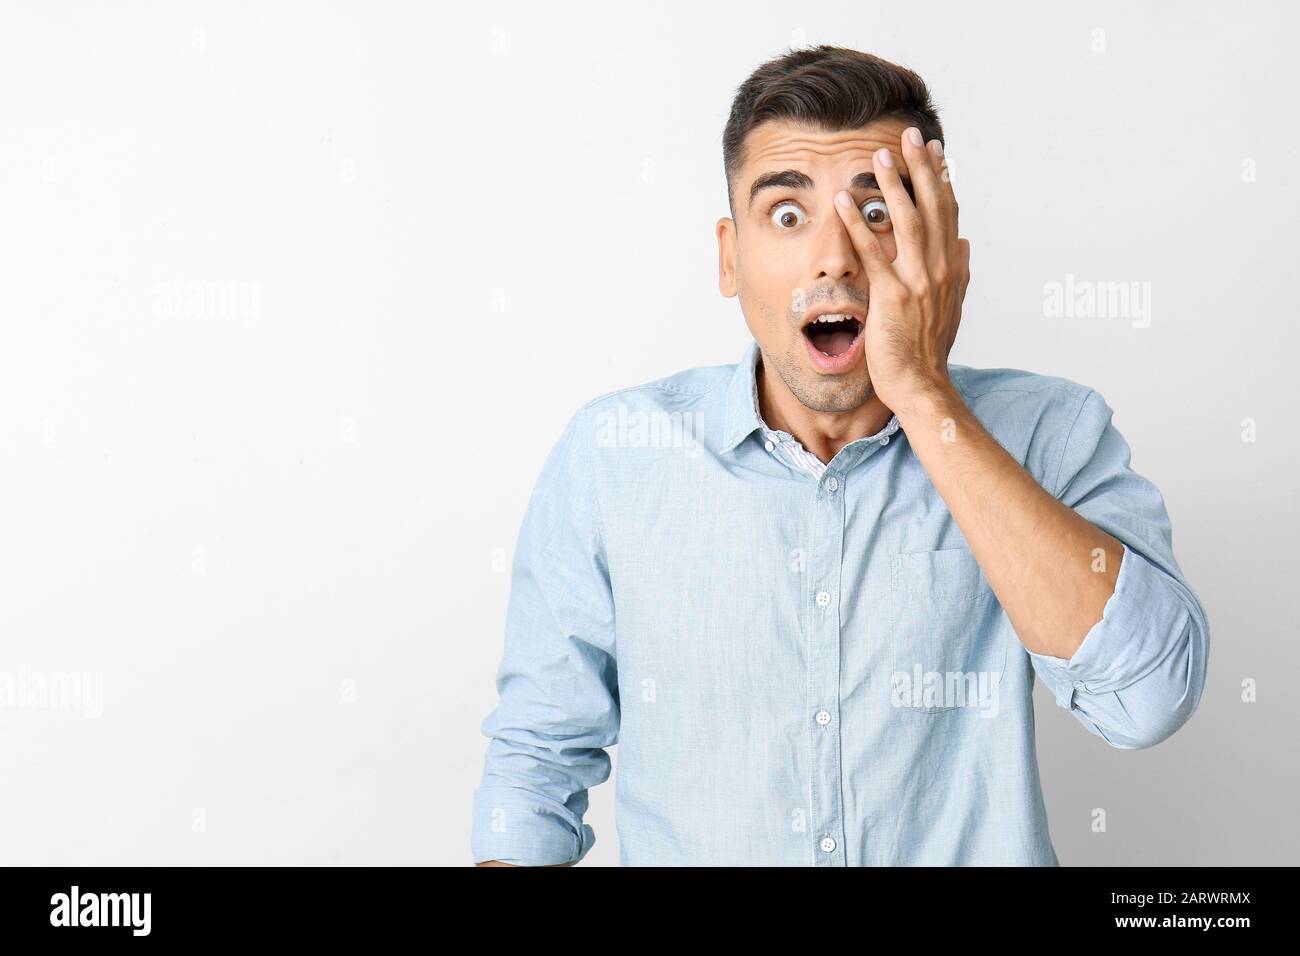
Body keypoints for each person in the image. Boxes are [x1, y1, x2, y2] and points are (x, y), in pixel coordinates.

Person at [470, 44, 1209, 867]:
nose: (835, 257)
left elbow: (1148, 701)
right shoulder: (613, 457)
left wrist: (925, 395)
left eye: (880, 211)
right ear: (729, 254)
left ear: (941, 244)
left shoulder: (1053, 431)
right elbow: (534, 771)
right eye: (788, 214)